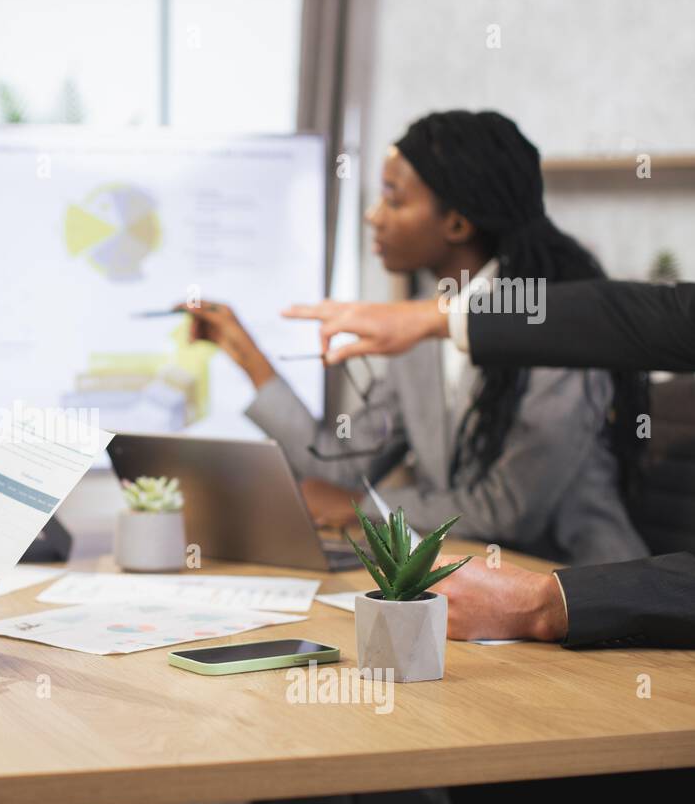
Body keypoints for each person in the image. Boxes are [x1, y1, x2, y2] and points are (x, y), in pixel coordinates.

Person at [184, 111, 648, 569]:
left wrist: (360, 506)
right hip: (473, 580)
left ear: (457, 224)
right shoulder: (417, 327)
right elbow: (339, 468)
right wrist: (246, 355)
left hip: (586, 588)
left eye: (394, 199)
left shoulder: (549, 323)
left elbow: (508, 511)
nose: (373, 216)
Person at [284, 274, 695, 648]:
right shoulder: (431, 333)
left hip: (600, 601)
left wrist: (547, 604)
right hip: (505, 600)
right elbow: (653, 313)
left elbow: (505, 509)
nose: (376, 221)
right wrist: (440, 317)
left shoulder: (555, 368)